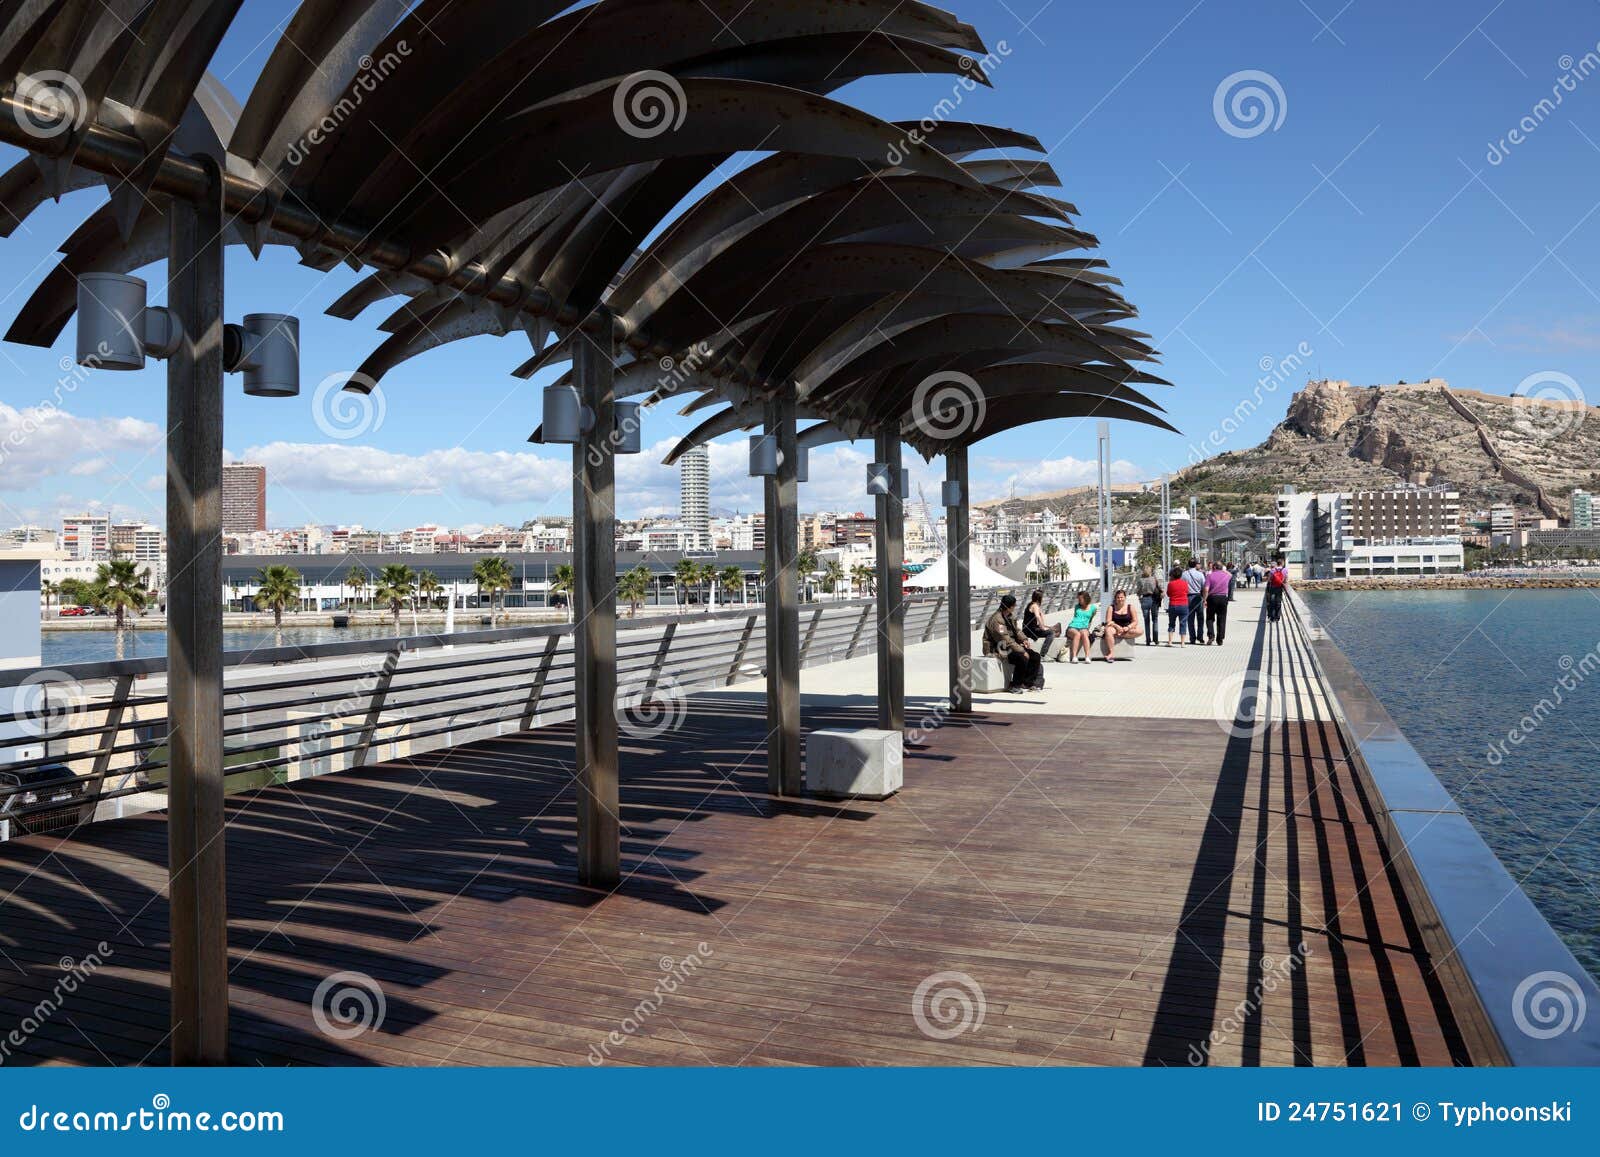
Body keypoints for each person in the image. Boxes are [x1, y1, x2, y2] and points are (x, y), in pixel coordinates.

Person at [983, 593, 1042, 691]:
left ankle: (1027, 683)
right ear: (1009, 607)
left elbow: (1017, 630)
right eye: (1014, 605)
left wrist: (1024, 639)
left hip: (1009, 646)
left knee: (1035, 656)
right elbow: (1004, 639)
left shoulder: (1009, 616)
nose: (1015, 607)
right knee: (1021, 657)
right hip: (997, 648)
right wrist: (1022, 651)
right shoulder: (996, 620)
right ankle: (1015, 685)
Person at [1100, 588, 1142, 660]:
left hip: (1127, 629)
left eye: (1121, 597)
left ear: (1125, 598)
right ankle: (1111, 653)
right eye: (1118, 597)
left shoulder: (1130, 607)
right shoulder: (1111, 608)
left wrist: (1128, 627)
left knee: (1140, 631)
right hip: (1115, 628)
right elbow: (1108, 621)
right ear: (1115, 598)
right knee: (1108, 630)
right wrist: (1117, 627)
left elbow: (1135, 621)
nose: (1120, 599)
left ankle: (1118, 635)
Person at [1022, 588, 1063, 661]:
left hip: (1029, 628)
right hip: (1030, 631)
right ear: (1039, 598)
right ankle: (1043, 654)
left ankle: (1055, 632)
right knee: (1051, 633)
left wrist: (1044, 626)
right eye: (1042, 597)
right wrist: (1043, 628)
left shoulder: (1033, 604)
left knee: (1053, 628)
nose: (1043, 599)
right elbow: (1037, 616)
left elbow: (1040, 616)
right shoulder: (1035, 606)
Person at [1064, 589, 1099, 663]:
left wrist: (1087, 629)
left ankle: (1087, 657)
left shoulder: (1093, 608)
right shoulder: (1077, 607)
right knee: (1077, 634)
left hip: (1084, 627)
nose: (1079, 601)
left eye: (1080, 599)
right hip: (1073, 626)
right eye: (1078, 599)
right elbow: (1075, 618)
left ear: (1086, 598)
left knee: (1084, 634)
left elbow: (1090, 620)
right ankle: (1074, 657)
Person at [1182, 556, 1207, 644]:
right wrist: (1204, 599)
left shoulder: (1184, 574)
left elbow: (1182, 586)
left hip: (1188, 597)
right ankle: (1200, 637)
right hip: (1198, 597)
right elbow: (1204, 587)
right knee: (1200, 618)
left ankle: (1192, 638)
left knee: (1190, 618)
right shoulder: (1200, 574)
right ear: (1196, 564)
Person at [1205, 561, 1231, 645]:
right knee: (1222, 619)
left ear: (1214, 567)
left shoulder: (1209, 575)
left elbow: (1206, 589)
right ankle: (1220, 639)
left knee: (1210, 618)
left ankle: (1211, 635)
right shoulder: (1226, 575)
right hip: (1223, 598)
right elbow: (1230, 574)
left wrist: (1204, 599)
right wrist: (1224, 570)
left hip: (1212, 598)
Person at [1135, 565, 1162, 646]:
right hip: (1153, 600)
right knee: (1155, 619)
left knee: (1146, 621)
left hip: (1144, 600)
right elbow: (1160, 588)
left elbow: (1138, 592)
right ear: (1151, 571)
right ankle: (1156, 639)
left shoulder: (1140, 580)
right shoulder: (1154, 579)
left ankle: (1147, 640)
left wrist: (1140, 599)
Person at [1165, 566, 1190, 646]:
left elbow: (1168, 594)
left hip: (1173, 605)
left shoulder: (1170, 584)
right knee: (1183, 623)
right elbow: (1187, 592)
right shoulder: (1185, 583)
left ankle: (1170, 641)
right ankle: (1182, 643)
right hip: (1183, 605)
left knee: (1171, 623)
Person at [1265, 555, 1289, 622]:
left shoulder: (1272, 570)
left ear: (1277, 563)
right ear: (1282, 563)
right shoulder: (1285, 570)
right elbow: (1286, 580)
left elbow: (1269, 580)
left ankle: (1271, 617)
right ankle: (1277, 617)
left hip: (1272, 587)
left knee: (1272, 602)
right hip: (1280, 587)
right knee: (1278, 602)